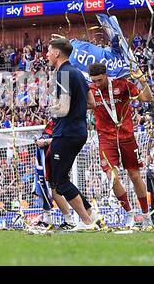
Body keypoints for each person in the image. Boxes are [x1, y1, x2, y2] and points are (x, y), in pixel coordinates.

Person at [40, 36, 105, 231]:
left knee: (59, 181)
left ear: (57, 53)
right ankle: (92, 215)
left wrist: (53, 108)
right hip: (79, 131)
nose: (46, 55)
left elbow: (63, 108)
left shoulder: (63, 74)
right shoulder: (77, 73)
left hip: (66, 132)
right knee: (61, 179)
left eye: (49, 51)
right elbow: (92, 103)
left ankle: (86, 222)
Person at [87, 61, 154, 227]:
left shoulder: (122, 85)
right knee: (112, 178)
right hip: (106, 138)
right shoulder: (90, 90)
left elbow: (148, 98)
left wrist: (143, 81)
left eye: (100, 80)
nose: (97, 84)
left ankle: (146, 216)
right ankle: (130, 214)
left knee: (135, 176)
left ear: (106, 76)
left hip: (126, 136)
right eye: (94, 80)